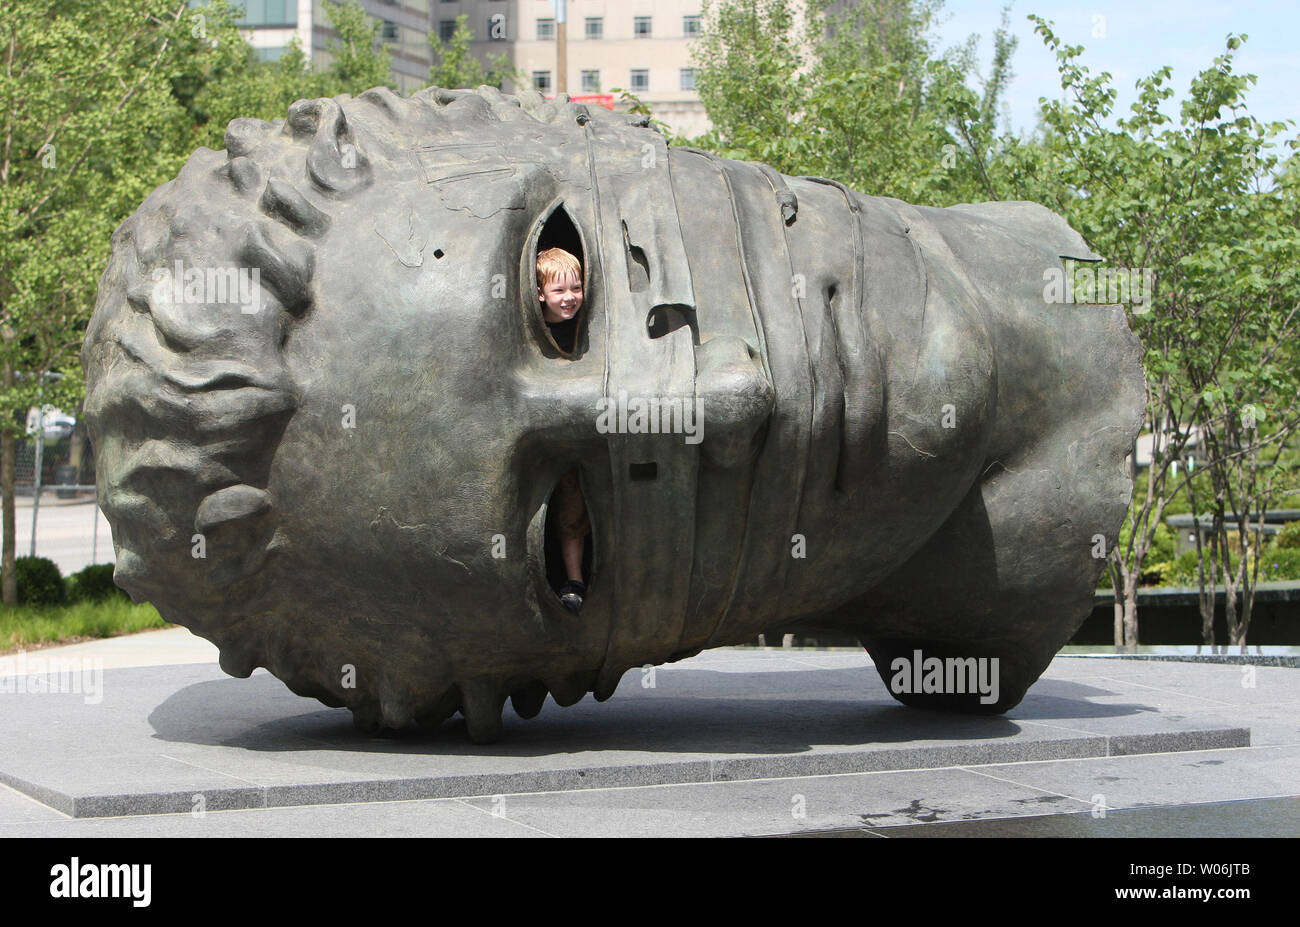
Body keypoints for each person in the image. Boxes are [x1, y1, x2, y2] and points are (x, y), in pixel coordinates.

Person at [536, 247, 589, 613]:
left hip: (578, 438)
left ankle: (576, 581)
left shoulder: (587, 328)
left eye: (576, 288)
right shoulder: (532, 331)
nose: (569, 298)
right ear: (540, 295)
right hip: (543, 438)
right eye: (559, 291)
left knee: (574, 511)